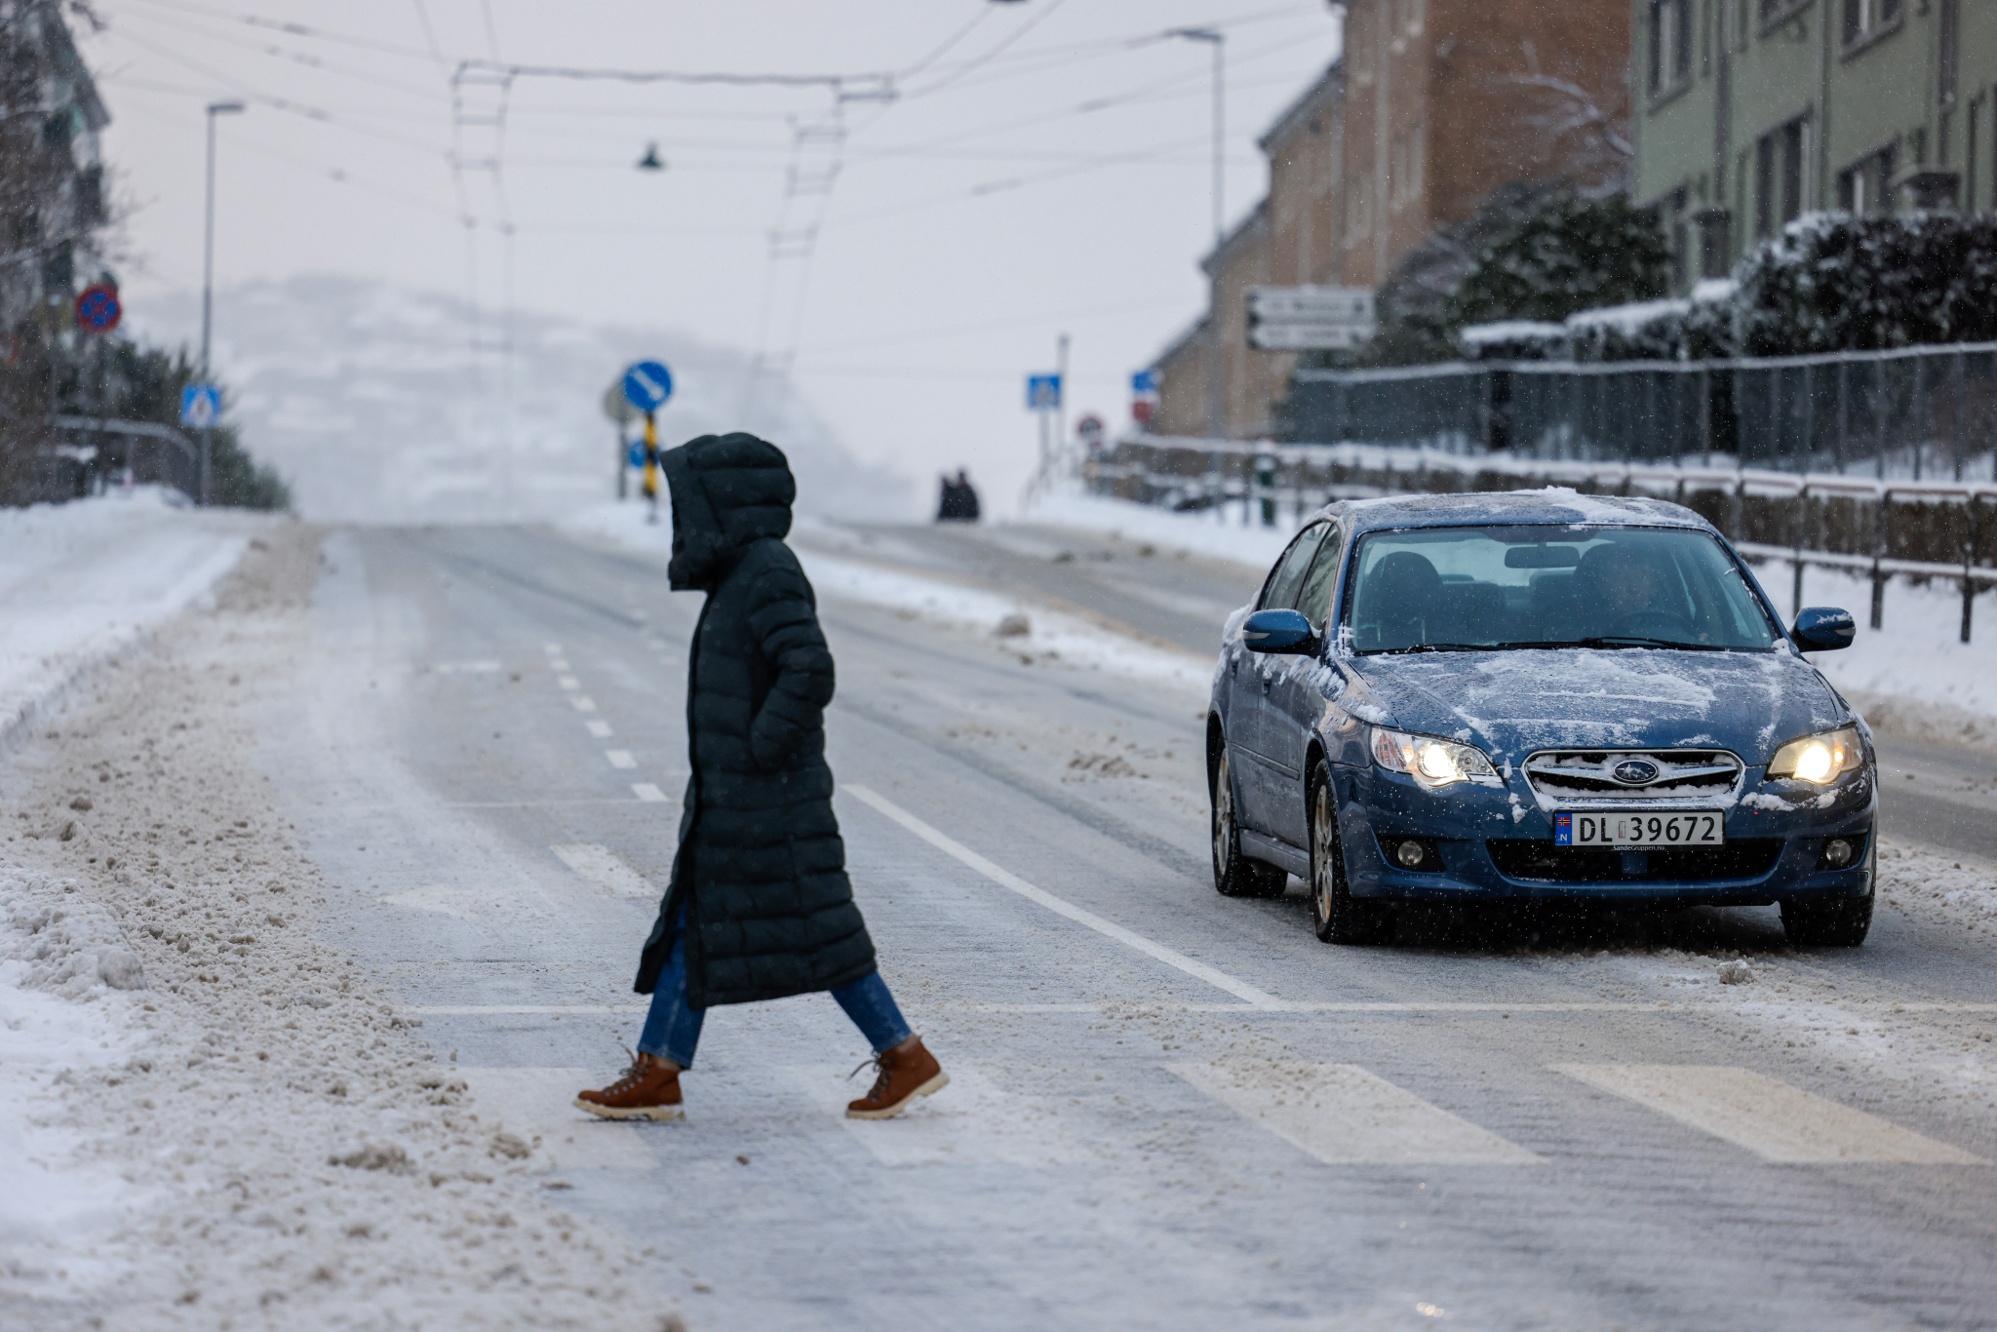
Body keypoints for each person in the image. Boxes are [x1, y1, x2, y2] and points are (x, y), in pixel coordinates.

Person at [577, 432, 947, 1122]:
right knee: (706, 925)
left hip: (768, 799)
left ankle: (903, 1056)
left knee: (815, 934)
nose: (682, 523)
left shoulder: (766, 569)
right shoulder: (743, 572)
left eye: (691, 505)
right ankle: (659, 1068)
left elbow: (808, 666)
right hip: (741, 800)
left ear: (724, 503)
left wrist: (758, 751)